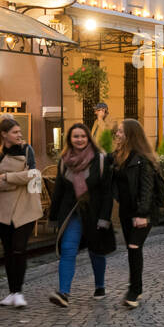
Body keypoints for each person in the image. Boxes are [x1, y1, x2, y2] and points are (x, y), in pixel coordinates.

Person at [47, 123, 115, 307]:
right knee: (68, 250)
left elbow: (107, 192)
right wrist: (53, 216)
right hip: (72, 214)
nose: (79, 140)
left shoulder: (100, 160)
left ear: (88, 138)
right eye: (75, 136)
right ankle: (63, 293)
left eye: (83, 136)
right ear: (70, 139)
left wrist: (105, 218)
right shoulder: (64, 161)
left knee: (96, 251)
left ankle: (99, 285)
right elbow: (58, 191)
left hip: (94, 213)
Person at [0, 116, 43, 307]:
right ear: (4, 134)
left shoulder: (27, 149)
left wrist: (7, 177)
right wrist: (17, 182)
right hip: (1, 208)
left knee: (19, 248)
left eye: (19, 131)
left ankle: (19, 292)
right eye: (15, 132)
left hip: (25, 207)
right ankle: (12, 292)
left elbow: (33, 175)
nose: (20, 135)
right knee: (8, 250)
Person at [112, 118, 158, 308]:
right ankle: (135, 289)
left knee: (133, 246)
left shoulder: (142, 159)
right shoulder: (118, 156)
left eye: (121, 132)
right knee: (132, 250)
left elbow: (147, 189)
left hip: (142, 211)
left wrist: (142, 214)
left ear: (130, 134)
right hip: (125, 210)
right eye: (117, 131)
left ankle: (134, 290)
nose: (117, 134)